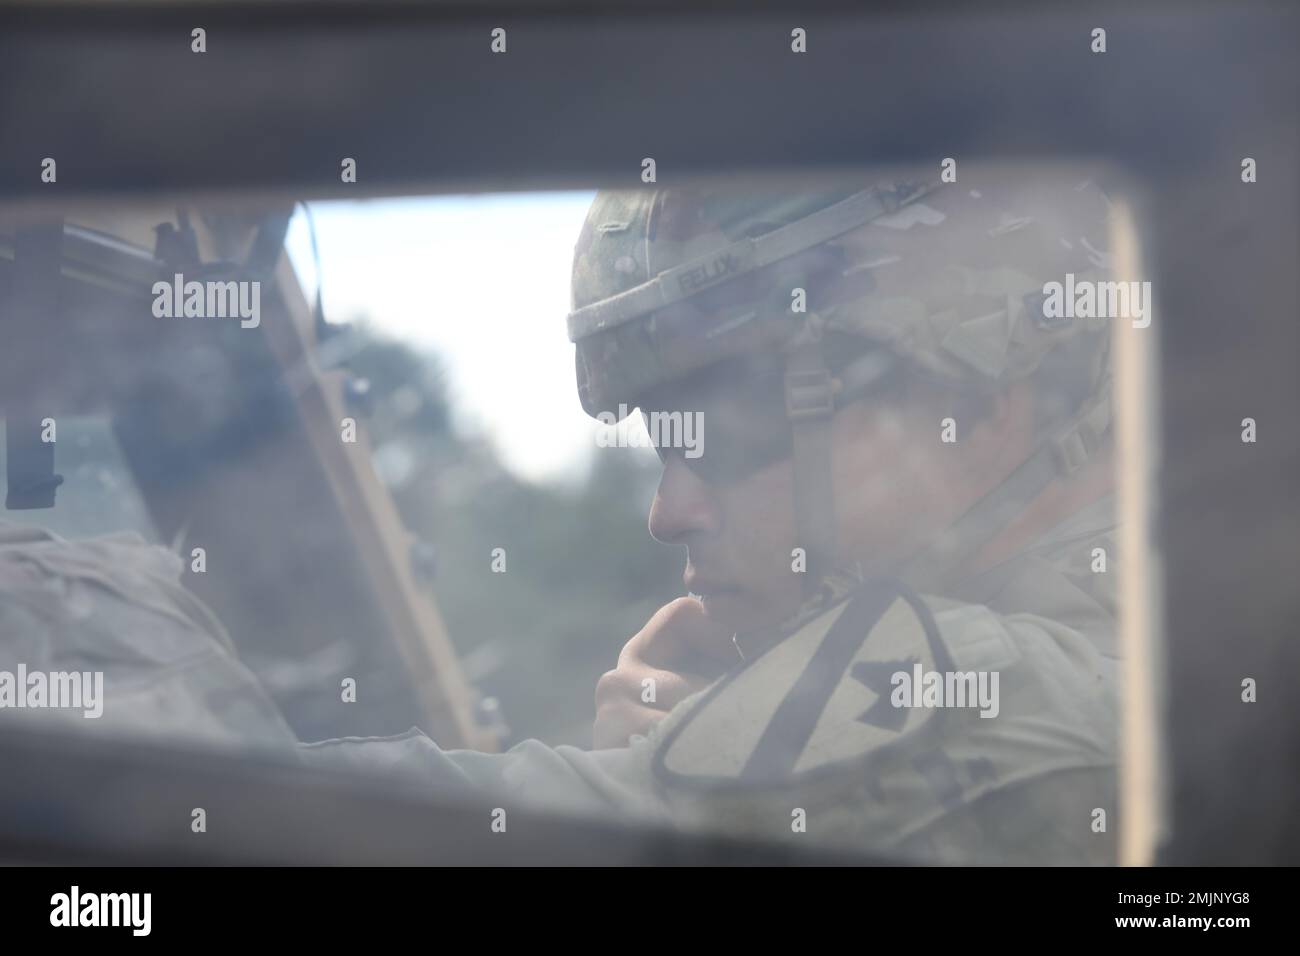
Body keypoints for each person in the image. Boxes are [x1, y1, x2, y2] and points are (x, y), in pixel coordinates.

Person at [298, 166, 1122, 864]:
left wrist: (676, 778)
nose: (670, 511)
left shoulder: (1023, 695)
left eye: (732, 422)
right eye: (667, 435)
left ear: (978, 391)